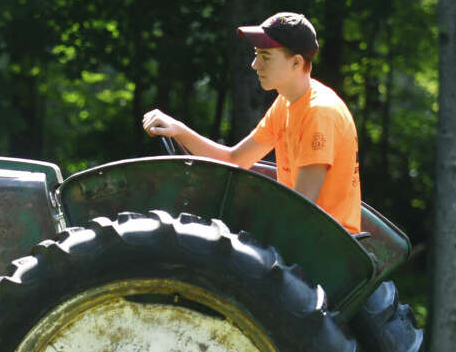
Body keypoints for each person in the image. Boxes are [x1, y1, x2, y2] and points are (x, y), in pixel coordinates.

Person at [142, 12, 362, 233]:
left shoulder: (319, 113)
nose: (255, 64)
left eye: (265, 57)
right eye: (256, 54)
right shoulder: (285, 103)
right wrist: (178, 130)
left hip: (327, 244)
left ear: (296, 62)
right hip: (304, 234)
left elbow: (300, 209)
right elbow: (235, 159)